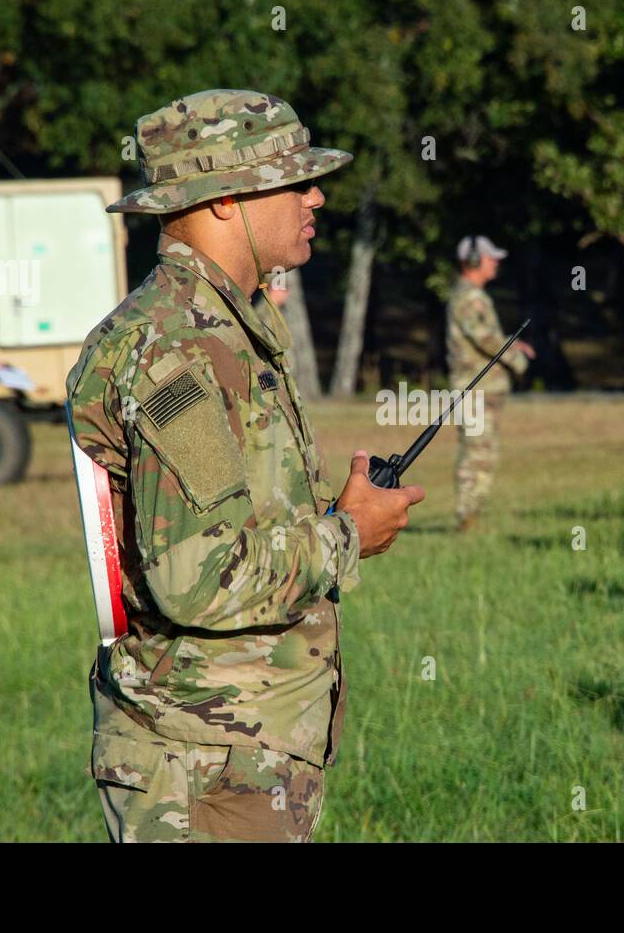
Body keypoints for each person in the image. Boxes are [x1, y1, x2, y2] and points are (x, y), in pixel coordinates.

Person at [67, 89, 425, 842]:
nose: (316, 195)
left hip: (234, 751)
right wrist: (348, 534)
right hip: (204, 768)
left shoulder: (228, 326)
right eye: (294, 180)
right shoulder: (179, 351)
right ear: (225, 200)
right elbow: (199, 575)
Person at [445, 235, 535, 532]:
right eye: (490, 257)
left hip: (483, 392)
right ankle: (466, 519)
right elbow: (485, 338)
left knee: (484, 453)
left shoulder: (472, 295)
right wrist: (517, 360)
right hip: (474, 392)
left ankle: (471, 517)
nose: (496, 262)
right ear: (473, 261)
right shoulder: (469, 297)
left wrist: (513, 347)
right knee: (477, 455)